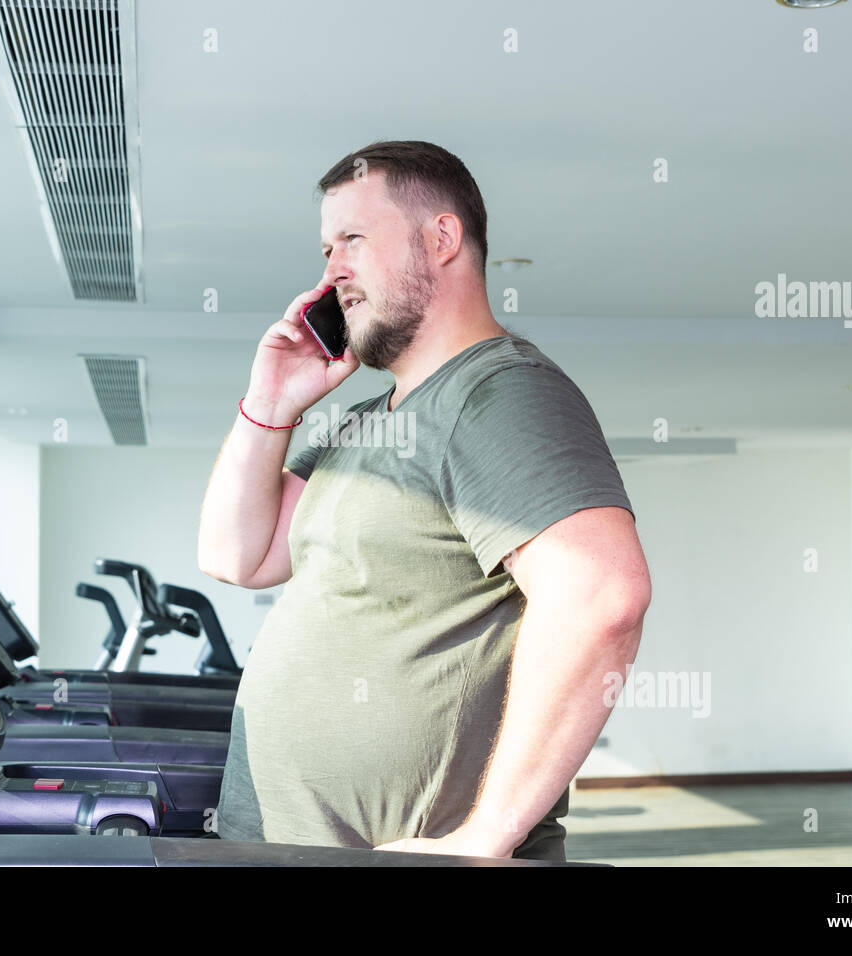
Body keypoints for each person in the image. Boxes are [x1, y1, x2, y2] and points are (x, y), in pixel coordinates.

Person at [197, 140, 651, 861]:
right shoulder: (373, 417)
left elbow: (602, 597)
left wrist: (484, 840)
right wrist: (270, 403)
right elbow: (236, 555)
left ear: (441, 238)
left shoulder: (498, 394)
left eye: (352, 239)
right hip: (290, 843)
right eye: (324, 249)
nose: (330, 271)